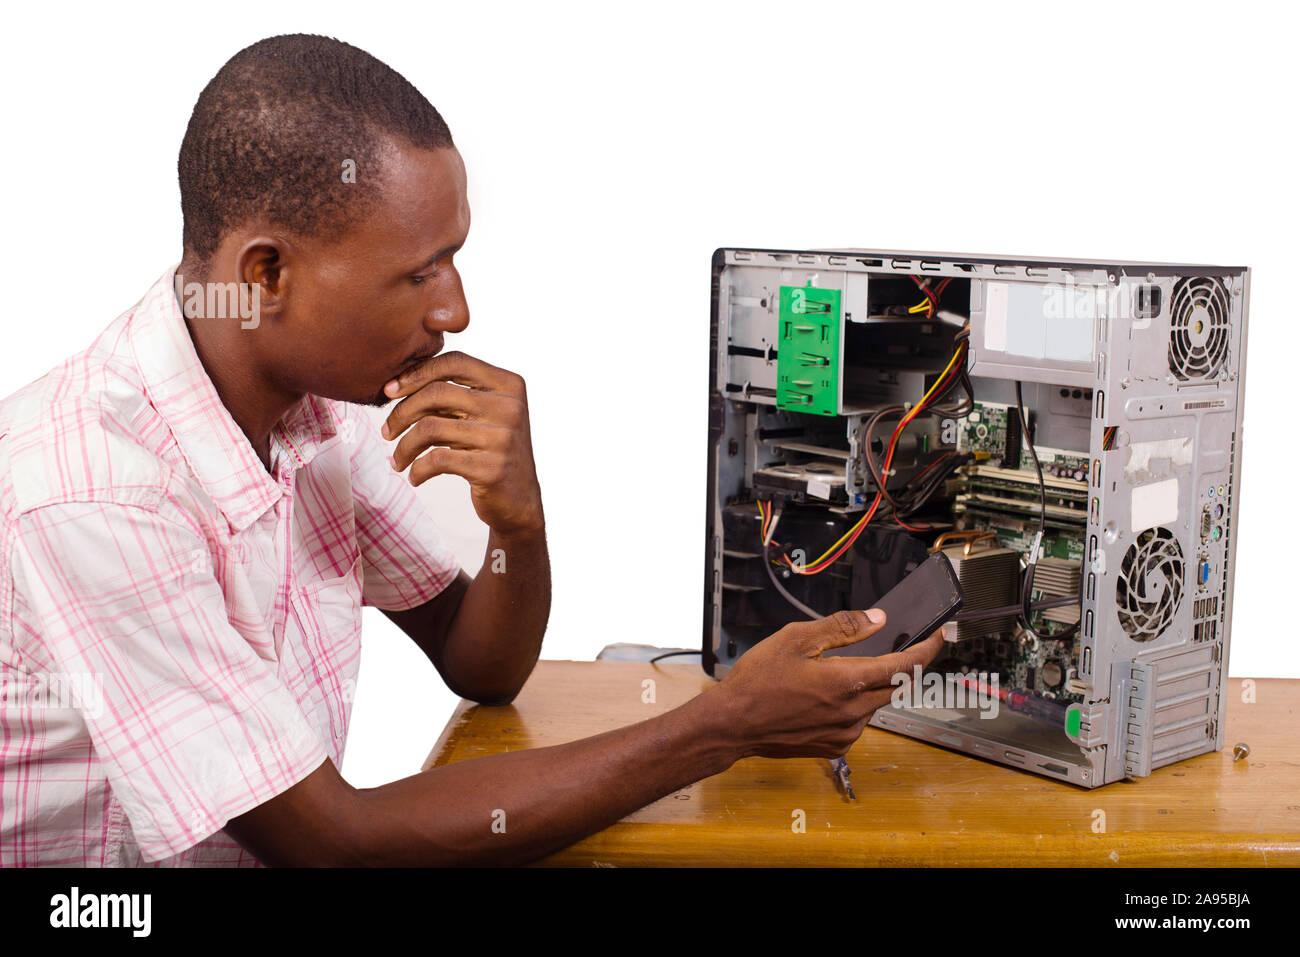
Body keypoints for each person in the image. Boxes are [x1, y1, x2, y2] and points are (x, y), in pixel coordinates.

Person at [0, 33, 943, 867]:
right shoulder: (97, 488)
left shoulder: (309, 407)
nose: (455, 310)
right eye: (418, 272)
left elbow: (477, 660)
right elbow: (333, 841)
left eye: (452, 256)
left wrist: (516, 519)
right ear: (266, 274)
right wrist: (722, 727)